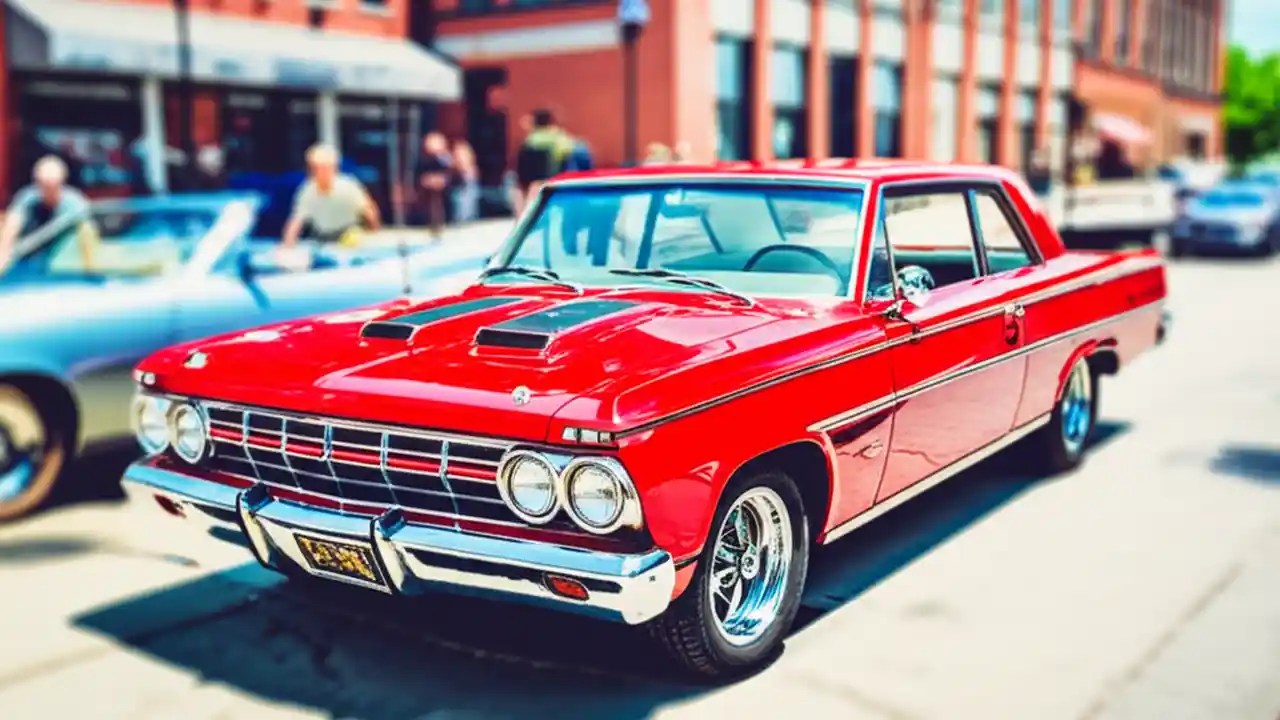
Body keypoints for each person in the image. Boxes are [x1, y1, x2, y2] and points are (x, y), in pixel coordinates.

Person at [0, 156, 90, 276]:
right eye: (42, 185)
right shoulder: (27, 198)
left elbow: (86, 237)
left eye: (52, 186)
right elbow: (12, 224)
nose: (47, 190)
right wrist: (4, 253)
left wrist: (88, 271)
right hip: (24, 260)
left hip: (61, 264)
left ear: (61, 182)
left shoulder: (75, 205)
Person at [281, 144, 381, 249]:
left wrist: (375, 237)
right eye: (315, 168)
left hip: (350, 236)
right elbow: (296, 222)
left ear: (334, 168)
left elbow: (369, 212)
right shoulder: (307, 190)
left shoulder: (349, 186)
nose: (319, 172)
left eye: (324, 168)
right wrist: (287, 245)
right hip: (322, 239)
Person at [515, 109, 575, 204]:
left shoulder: (530, 140)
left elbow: (523, 166)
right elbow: (568, 155)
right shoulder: (559, 137)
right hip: (556, 179)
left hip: (534, 181)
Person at [417, 132, 453, 241]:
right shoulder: (424, 160)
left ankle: (441, 224)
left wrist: (441, 180)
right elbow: (421, 175)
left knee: (438, 202)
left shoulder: (445, 158)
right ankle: (433, 225)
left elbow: (449, 173)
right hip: (429, 188)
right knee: (431, 202)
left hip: (444, 188)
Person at [449, 138, 480, 224]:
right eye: (456, 155)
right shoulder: (452, 175)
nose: (459, 159)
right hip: (456, 220)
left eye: (462, 155)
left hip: (472, 218)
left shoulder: (472, 172)